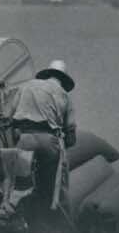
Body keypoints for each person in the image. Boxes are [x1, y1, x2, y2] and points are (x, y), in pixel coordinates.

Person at [11, 58, 77, 212]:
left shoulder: (26, 86)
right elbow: (70, 132)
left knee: (20, 184)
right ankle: (48, 210)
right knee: (50, 186)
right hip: (48, 141)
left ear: (48, 74)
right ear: (63, 79)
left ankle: (15, 212)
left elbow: (10, 115)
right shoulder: (64, 95)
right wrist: (66, 144)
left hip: (24, 139)